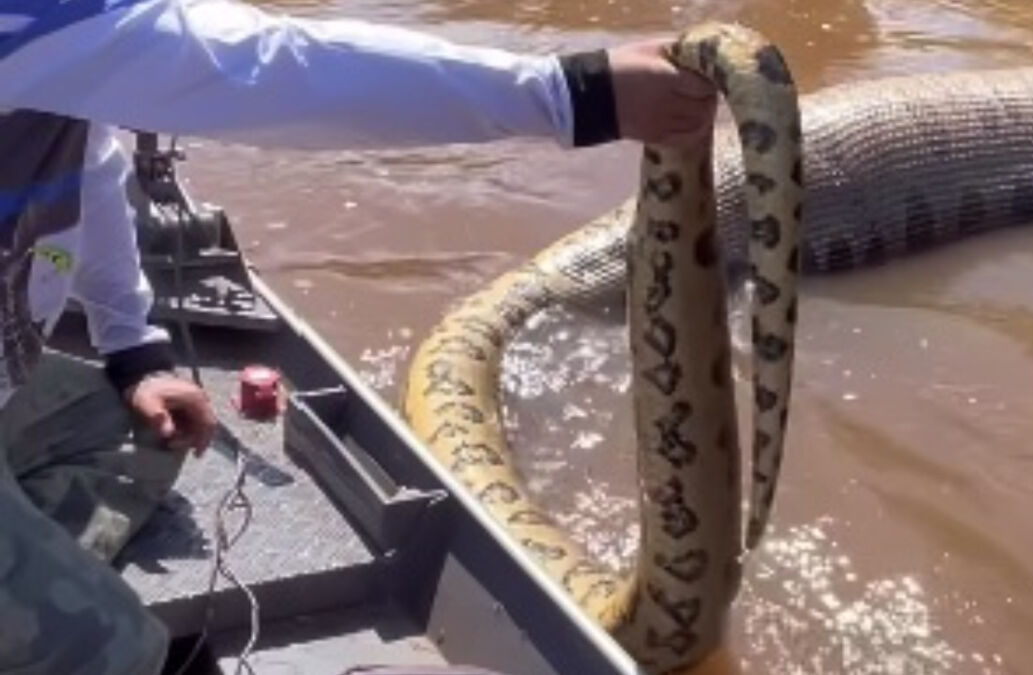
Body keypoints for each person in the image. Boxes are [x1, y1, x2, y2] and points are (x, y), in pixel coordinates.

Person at [0, 0, 718, 673]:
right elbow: (268, 70)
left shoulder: (68, 59)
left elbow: (90, 167)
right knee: (114, 648)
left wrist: (134, 349)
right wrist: (574, 94)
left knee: (143, 437)